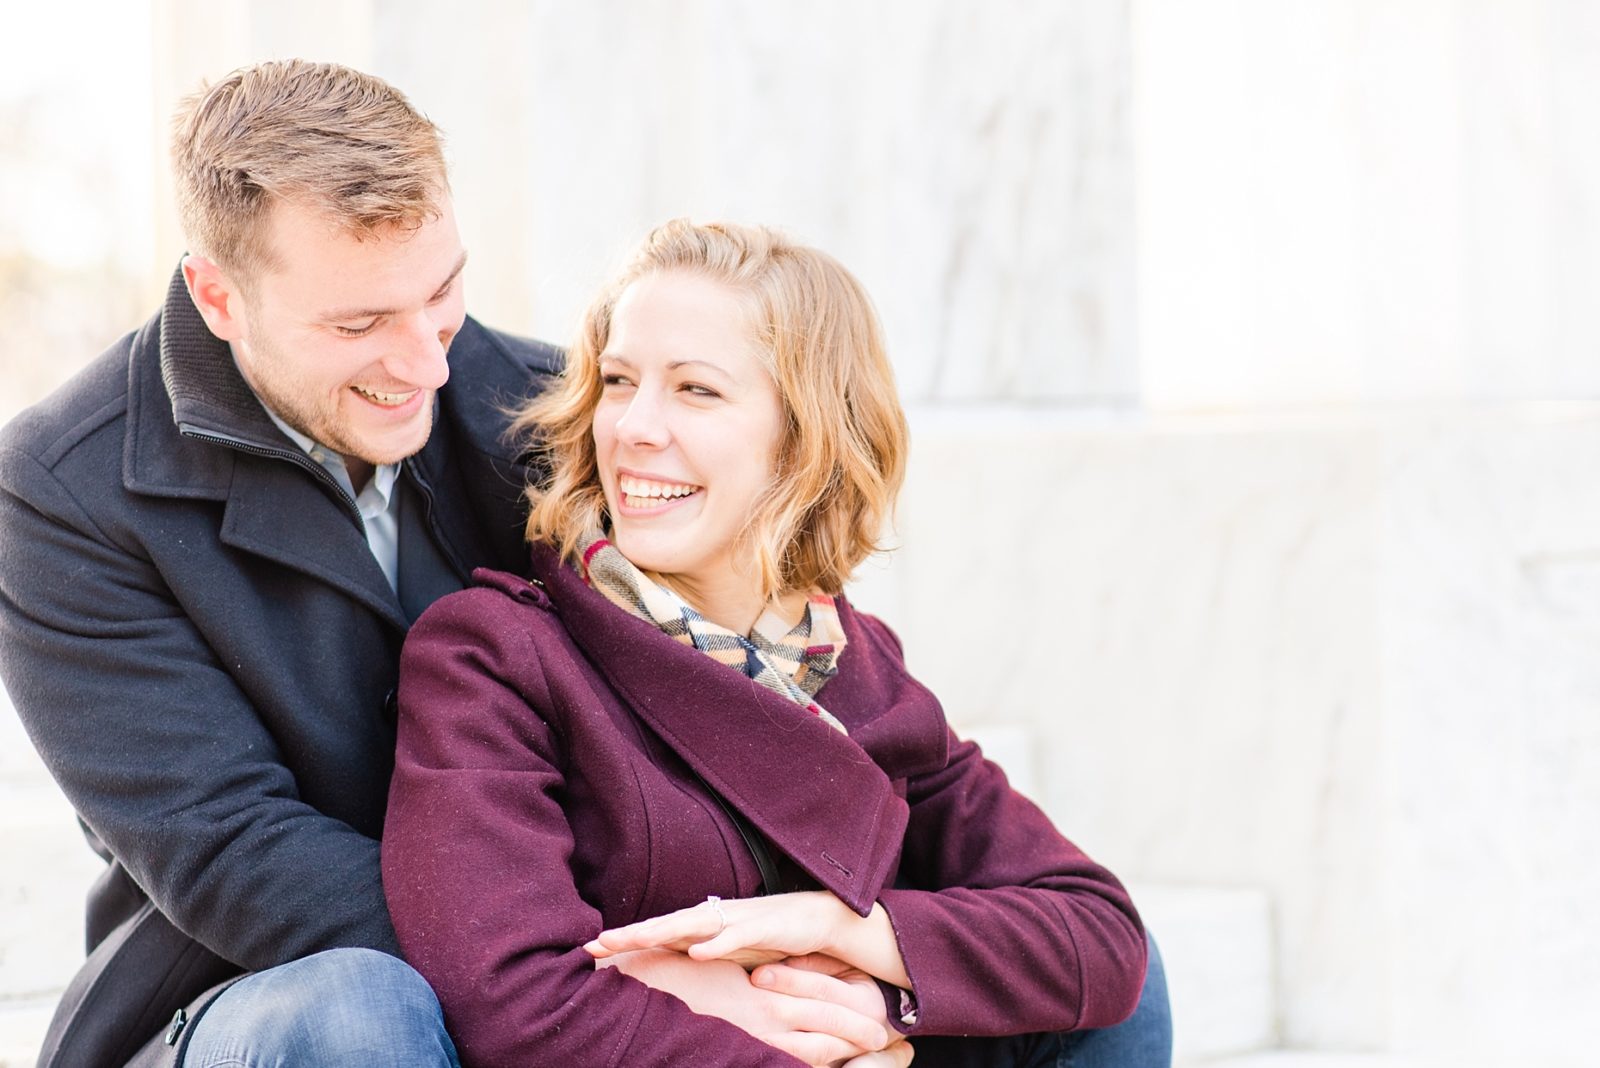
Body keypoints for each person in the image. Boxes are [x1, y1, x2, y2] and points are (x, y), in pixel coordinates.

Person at [382, 219, 1173, 1067]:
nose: (635, 427)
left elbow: (1101, 931)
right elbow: (509, 1001)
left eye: (696, 390)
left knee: (1111, 996)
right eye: (618, 381)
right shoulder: (494, 656)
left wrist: (855, 940)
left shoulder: (849, 660)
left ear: (803, 441)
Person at [0, 60, 561, 1067]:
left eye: (442, 293)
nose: (427, 363)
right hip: (239, 996)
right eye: (358, 326)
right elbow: (235, 855)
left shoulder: (543, 407)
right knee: (363, 1013)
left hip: (547, 948)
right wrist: (563, 990)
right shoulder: (60, 489)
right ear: (219, 297)